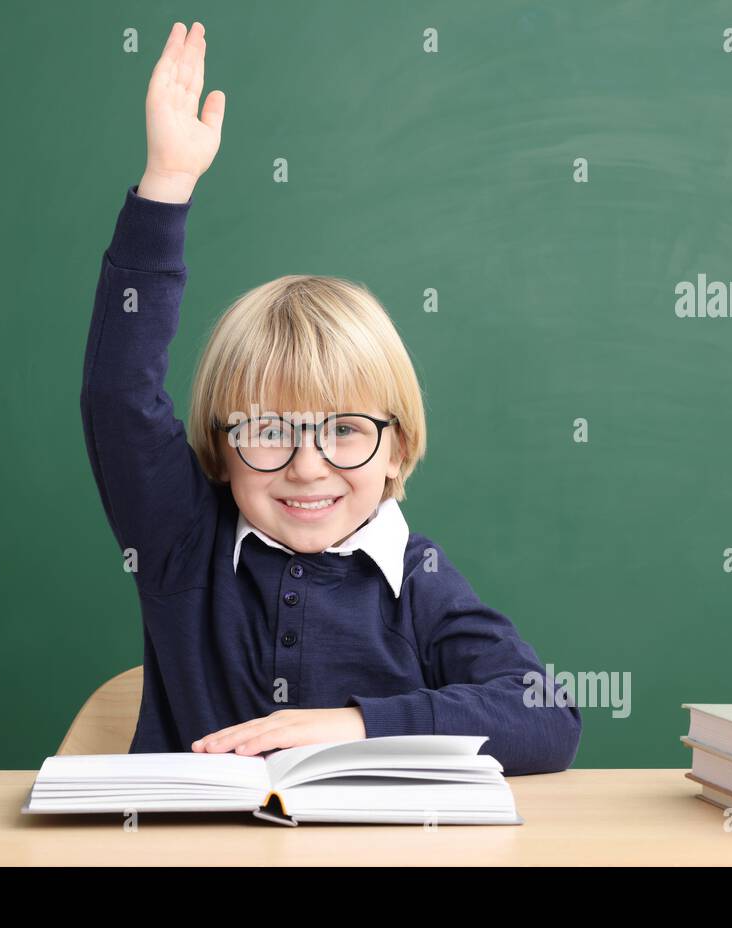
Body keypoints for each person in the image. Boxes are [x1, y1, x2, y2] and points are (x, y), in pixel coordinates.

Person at [81, 22, 580, 773]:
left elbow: (546, 717)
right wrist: (167, 185)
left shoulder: (419, 580)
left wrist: (356, 723)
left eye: (345, 431)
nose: (308, 467)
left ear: (399, 446)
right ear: (221, 447)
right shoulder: (181, 539)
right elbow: (118, 394)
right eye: (271, 430)